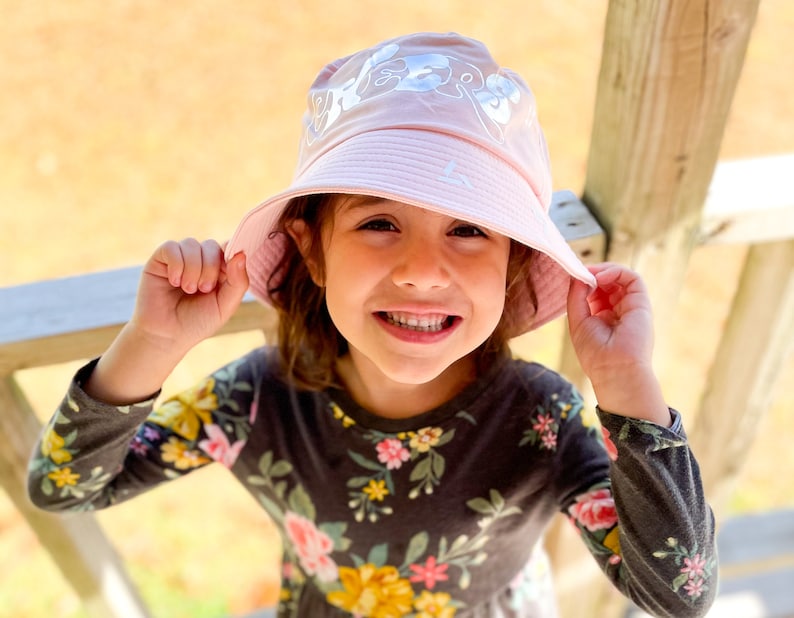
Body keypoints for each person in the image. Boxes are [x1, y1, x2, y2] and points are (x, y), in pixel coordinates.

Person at [28, 32, 717, 618]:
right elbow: (65, 486)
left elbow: (678, 593)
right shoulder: (258, 400)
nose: (423, 271)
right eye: (379, 222)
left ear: (513, 264)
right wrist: (156, 342)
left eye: (469, 229)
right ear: (312, 250)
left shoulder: (540, 419)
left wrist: (628, 385)